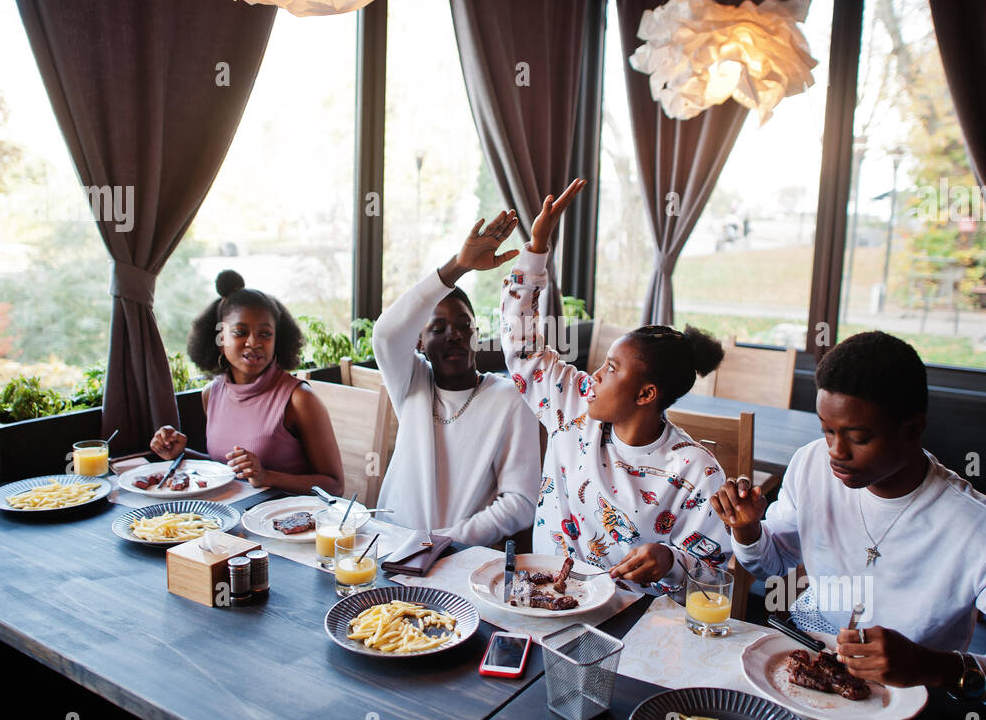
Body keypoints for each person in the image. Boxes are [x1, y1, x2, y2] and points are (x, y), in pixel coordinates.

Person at [711, 330, 986, 715]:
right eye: (827, 430)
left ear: (912, 429)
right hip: (798, 664)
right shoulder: (811, 464)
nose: (835, 452)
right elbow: (771, 565)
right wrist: (748, 531)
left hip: (916, 699)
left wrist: (934, 666)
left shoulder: (985, 534)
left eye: (858, 438)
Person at [457, 179, 731, 595]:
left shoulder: (695, 470)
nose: (595, 375)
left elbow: (715, 573)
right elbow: (522, 346)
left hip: (633, 620)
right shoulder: (574, 406)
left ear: (645, 394)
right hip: (544, 595)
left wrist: (671, 559)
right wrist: (536, 249)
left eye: (612, 368)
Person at [370, 213, 541, 545]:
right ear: (419, 342)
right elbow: (385, 335)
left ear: (477, 334)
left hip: (456, 558)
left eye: (465, 326)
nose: (454, 336)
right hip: (387, 546)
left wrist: (445, 542)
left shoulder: (509, 398)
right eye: (437, 328)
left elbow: (521, 503)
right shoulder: (412, 382)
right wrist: (458, 266)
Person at [149, 270, 344, 495]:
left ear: (276, 341)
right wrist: (180, 455)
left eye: (265, 334)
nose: (254, 342)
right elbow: (227, 469)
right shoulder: (211, 393)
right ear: (221, 340)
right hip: (230, 518)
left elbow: (335, 485)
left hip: (288, 520)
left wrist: (267, 476)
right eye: (240, 332)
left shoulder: (299, 399)